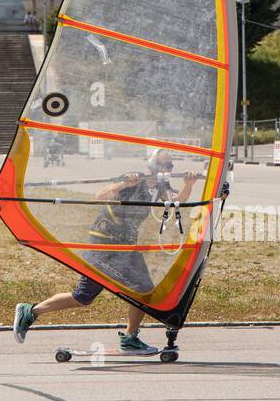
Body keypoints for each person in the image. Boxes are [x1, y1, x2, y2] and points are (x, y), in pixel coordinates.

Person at [12, 149, 200, 353]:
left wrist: (188, 184)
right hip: (104, 245)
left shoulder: (161, 187)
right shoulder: (134, 179)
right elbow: (98, 196)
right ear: (153, 165)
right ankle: (30, 311)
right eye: (164, 165)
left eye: (170, 166)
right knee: (82, 297)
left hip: (126, 248)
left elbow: (175, 204)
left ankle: (130, 337)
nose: (168, 169)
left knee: (143, 290)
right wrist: (122, 184)